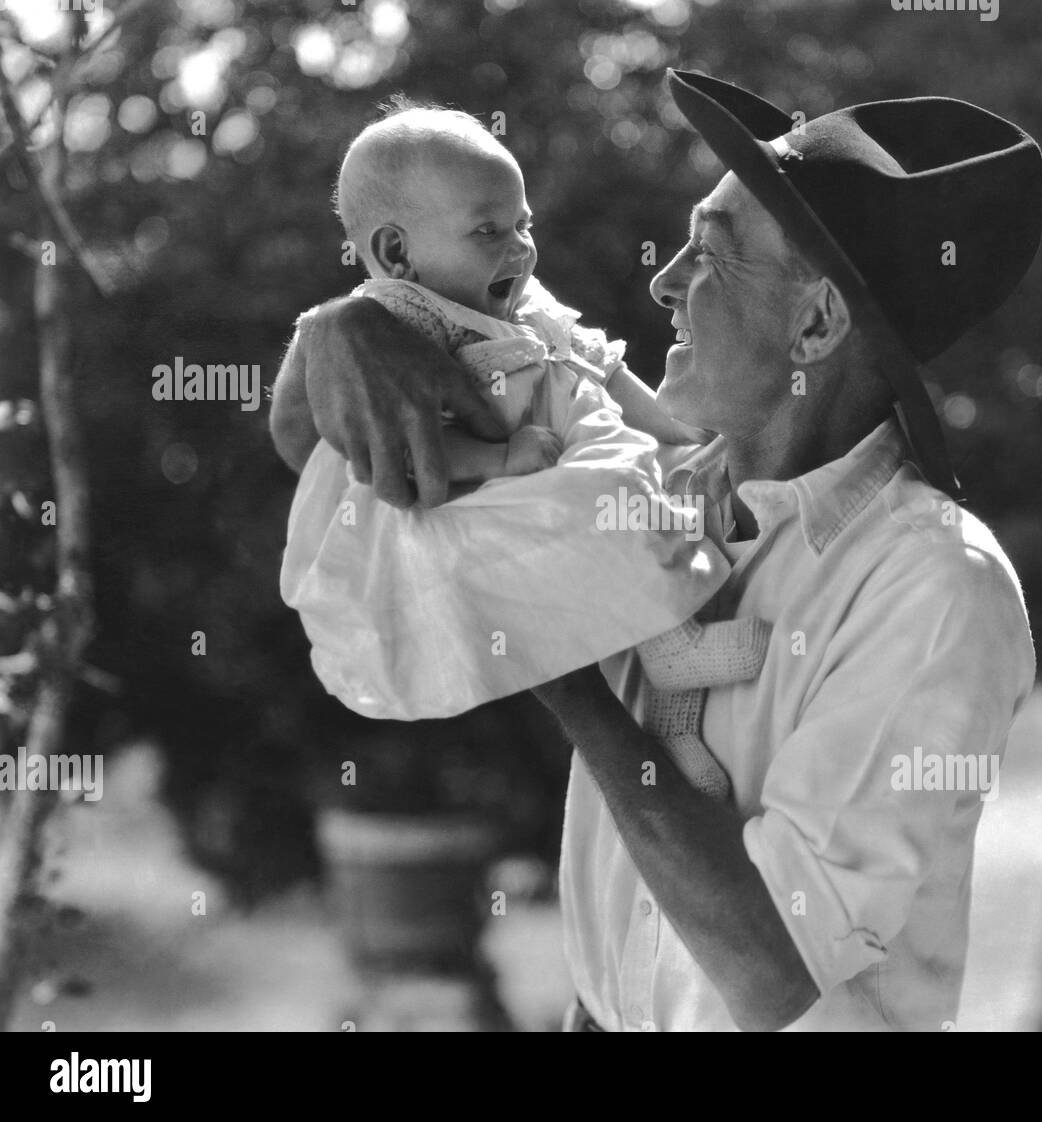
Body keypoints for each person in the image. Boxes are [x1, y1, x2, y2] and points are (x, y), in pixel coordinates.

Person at [271, 70, 1042, 1031]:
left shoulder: (933, 590)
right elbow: (339, 457)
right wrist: (345, 326)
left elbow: (776, 978)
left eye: (711, 257)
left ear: (816, 323)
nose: (663, 280)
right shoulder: (645, 490)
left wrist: (559, 667)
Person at [277, 103, 771, 794]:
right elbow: (409, 446)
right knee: (612, 513)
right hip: (497, 494)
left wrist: (680, 435)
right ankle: (677, 659)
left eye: (523, 225)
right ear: (396, 253)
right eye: (489, 231)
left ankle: (680, 716)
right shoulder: (402, 323)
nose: (519, 249)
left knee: (637, 499)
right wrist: (498, 462)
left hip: (570, 455)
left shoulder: (528, 303)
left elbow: (601, 367)